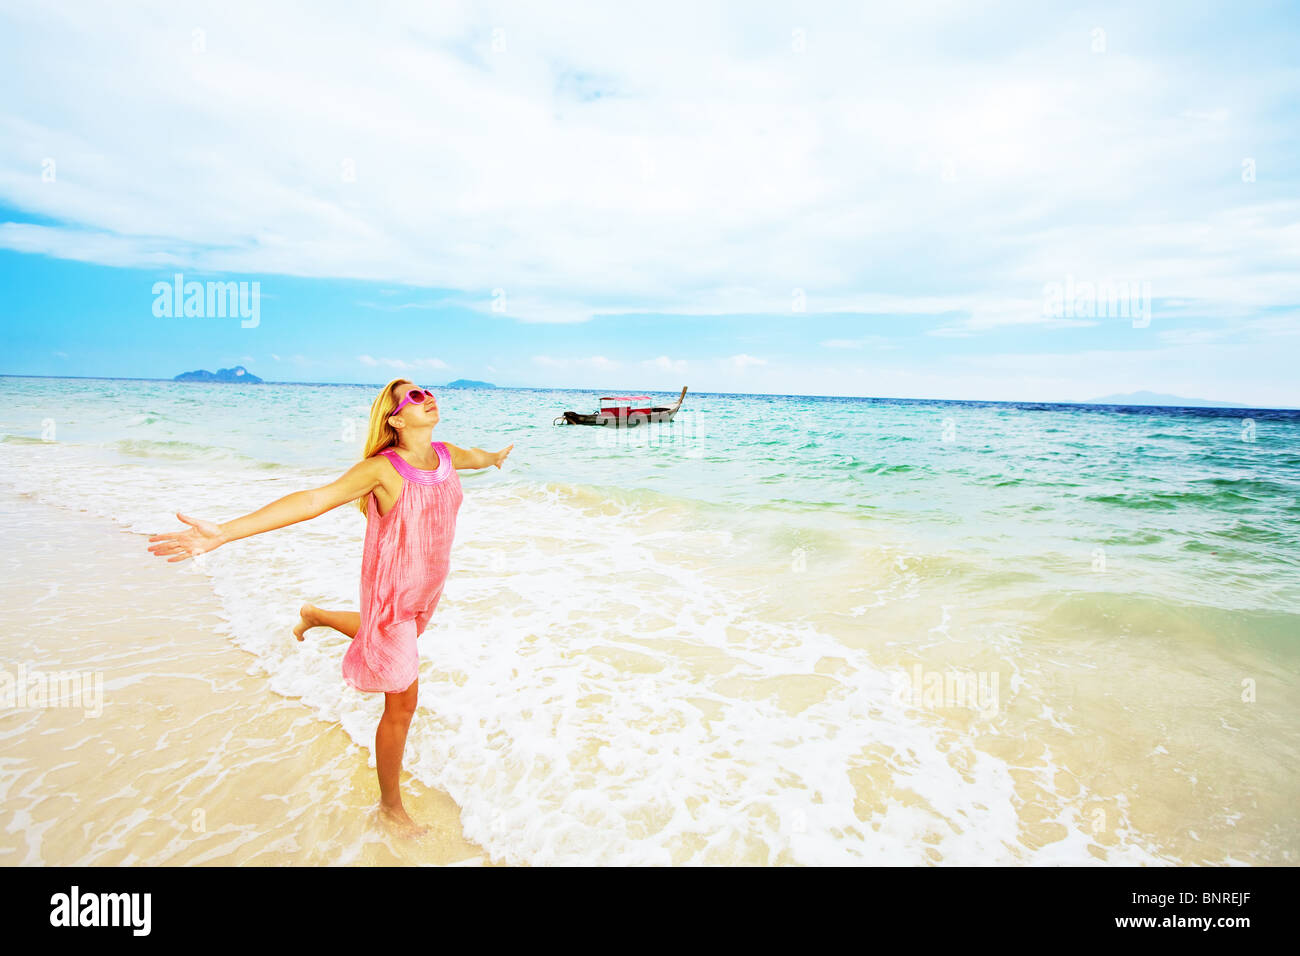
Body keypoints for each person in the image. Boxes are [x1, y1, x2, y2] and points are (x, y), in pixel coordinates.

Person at [147, 378, 514, 835]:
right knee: (401, 703)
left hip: (426, 591)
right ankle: (390, 808)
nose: (427, 397)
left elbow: (472, 457)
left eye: (427, 391)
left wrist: (494, 457)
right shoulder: (383, 469)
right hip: (391, 592)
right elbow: (313, 501)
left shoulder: (444, 453)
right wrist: (225, 531)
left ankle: (316, 615)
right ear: (395, 419)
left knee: (387, 638)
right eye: (414, 396)